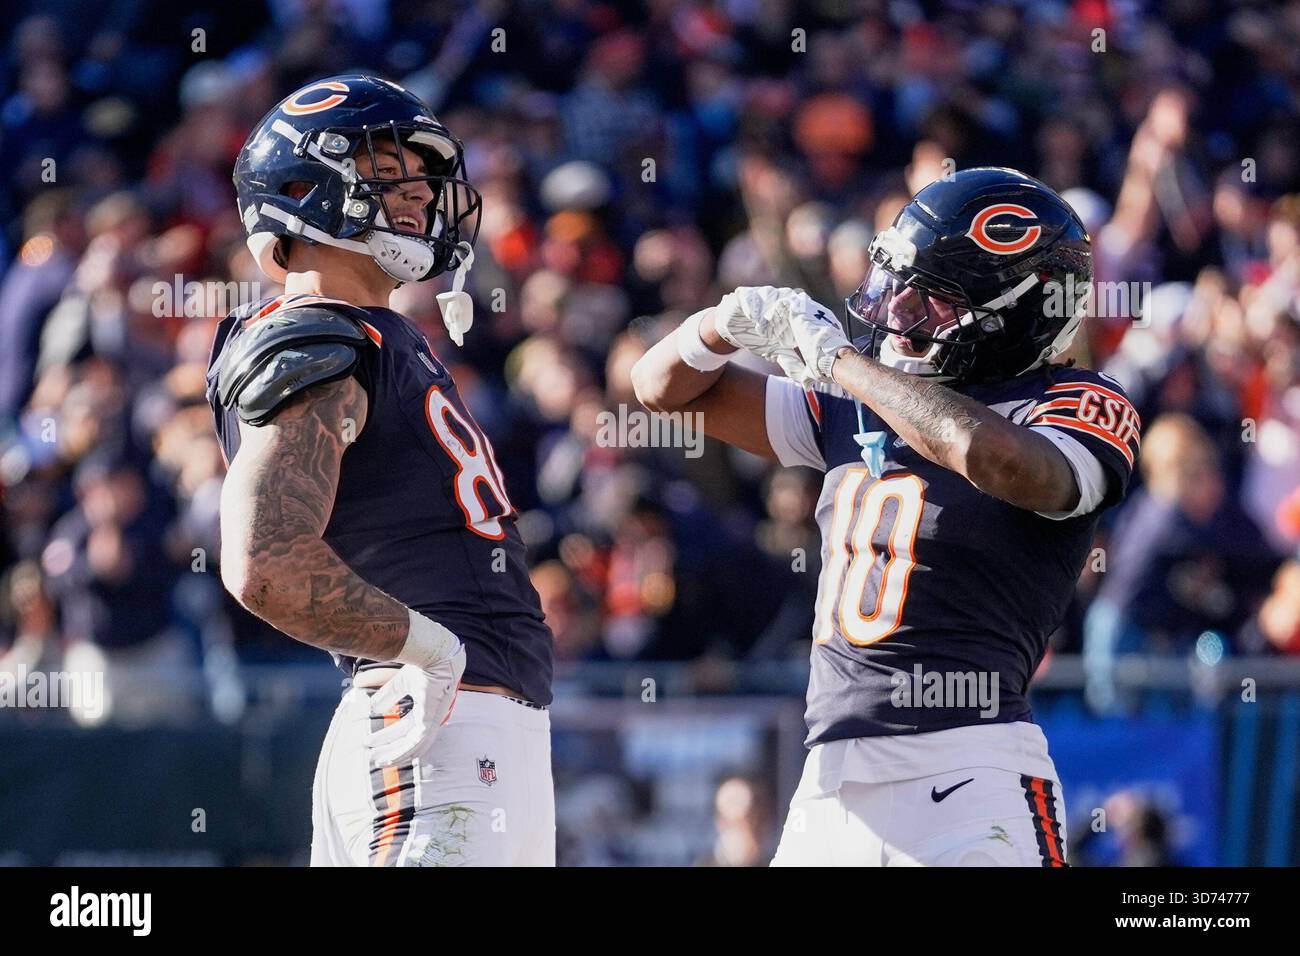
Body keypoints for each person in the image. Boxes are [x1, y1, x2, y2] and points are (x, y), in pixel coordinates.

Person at [632, 167, 1142, 866]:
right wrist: (720, 324)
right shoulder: (863, 402)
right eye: (897, 285)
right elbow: (661, 391)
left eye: (929, 300)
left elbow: (993, 458)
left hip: (969, 768)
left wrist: (837, 361)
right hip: (830, 782)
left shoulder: (1079, 401)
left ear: (1012, 312)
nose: (898, 312)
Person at [205, 75, 555, 866]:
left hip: (464, 724)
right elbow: (264, 562)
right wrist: (427, 650)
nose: (419, 196)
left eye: (422, 177)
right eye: (384, 169)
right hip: (436, 730)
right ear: (304, 187)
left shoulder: (372, 334)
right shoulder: (318, 339)